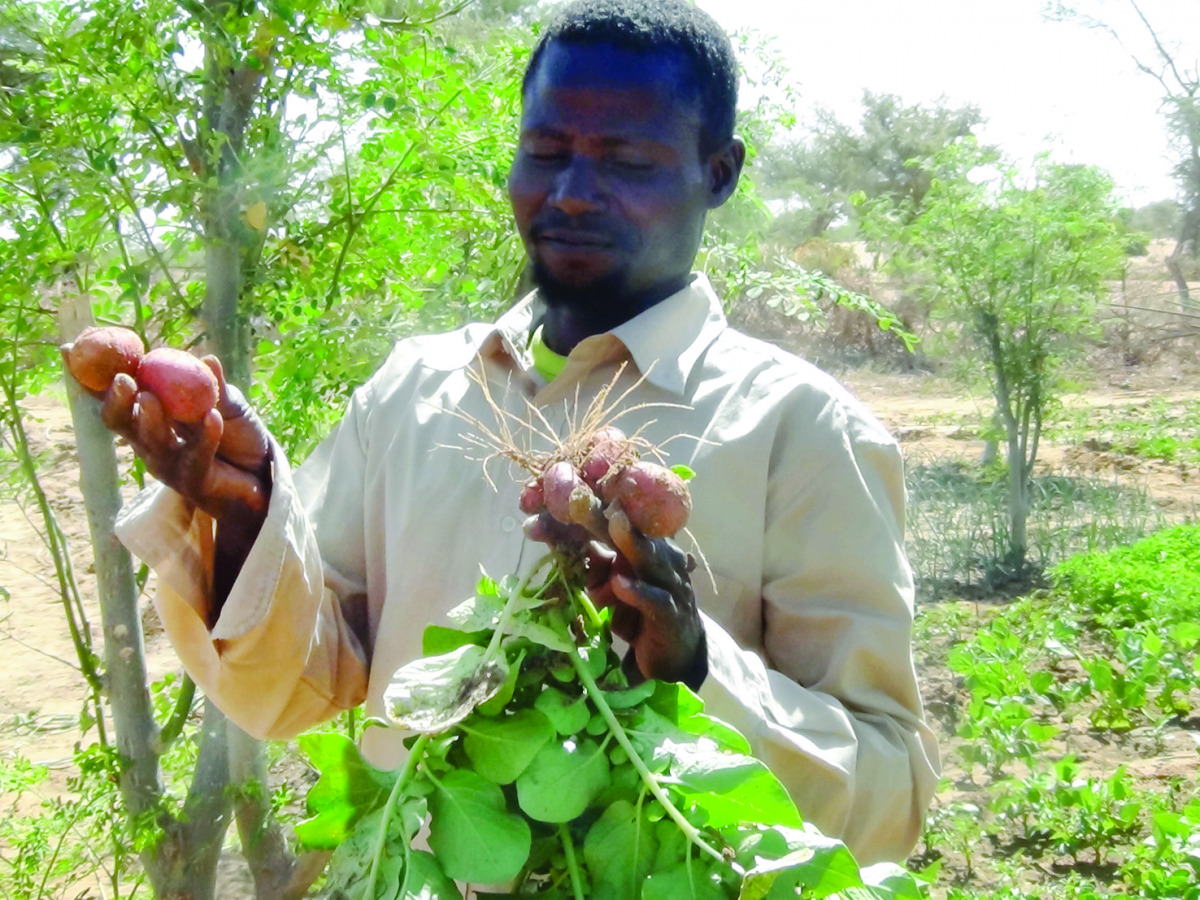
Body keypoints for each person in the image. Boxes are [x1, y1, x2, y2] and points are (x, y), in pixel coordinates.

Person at [98, 0, 938, 865]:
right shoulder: (415, 391)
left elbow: (889, 803)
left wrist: (694, 670)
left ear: (718, 172)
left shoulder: (801, 430)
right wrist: (242, 517)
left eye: (626, 160)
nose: (572, 194)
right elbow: (294, 693)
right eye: (545, 152)